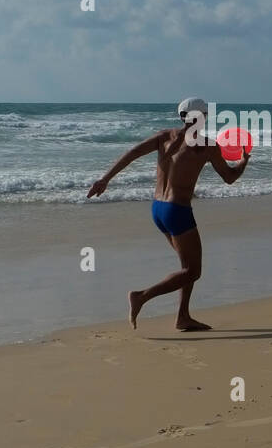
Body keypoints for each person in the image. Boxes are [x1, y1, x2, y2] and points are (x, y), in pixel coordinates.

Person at [88, 97, 249, 331]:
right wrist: (243, 161)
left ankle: (183, 317)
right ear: (202, 117)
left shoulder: (164, 136)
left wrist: (105, 179)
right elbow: (229, 178)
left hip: (158, 209)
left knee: (186, 268)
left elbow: (132, 153)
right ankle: (141, 296)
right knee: (193, 271)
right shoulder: (207, 145)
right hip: (178, 211)